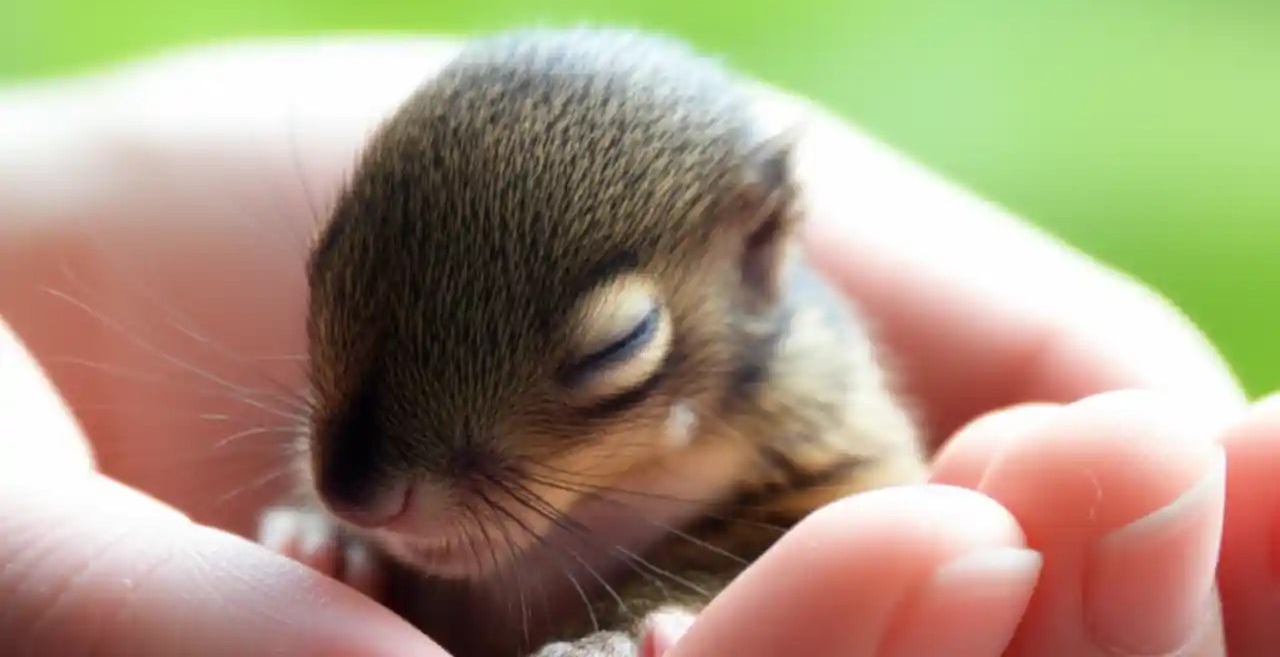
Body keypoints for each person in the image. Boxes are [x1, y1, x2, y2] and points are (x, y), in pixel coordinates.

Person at [0, 36, 1275, 657]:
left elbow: (834, 518)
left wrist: (682, 612)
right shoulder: (378, 452)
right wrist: (344, 560)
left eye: (602, 358)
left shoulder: (807, 435)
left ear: (756, 258)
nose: (366, 486)